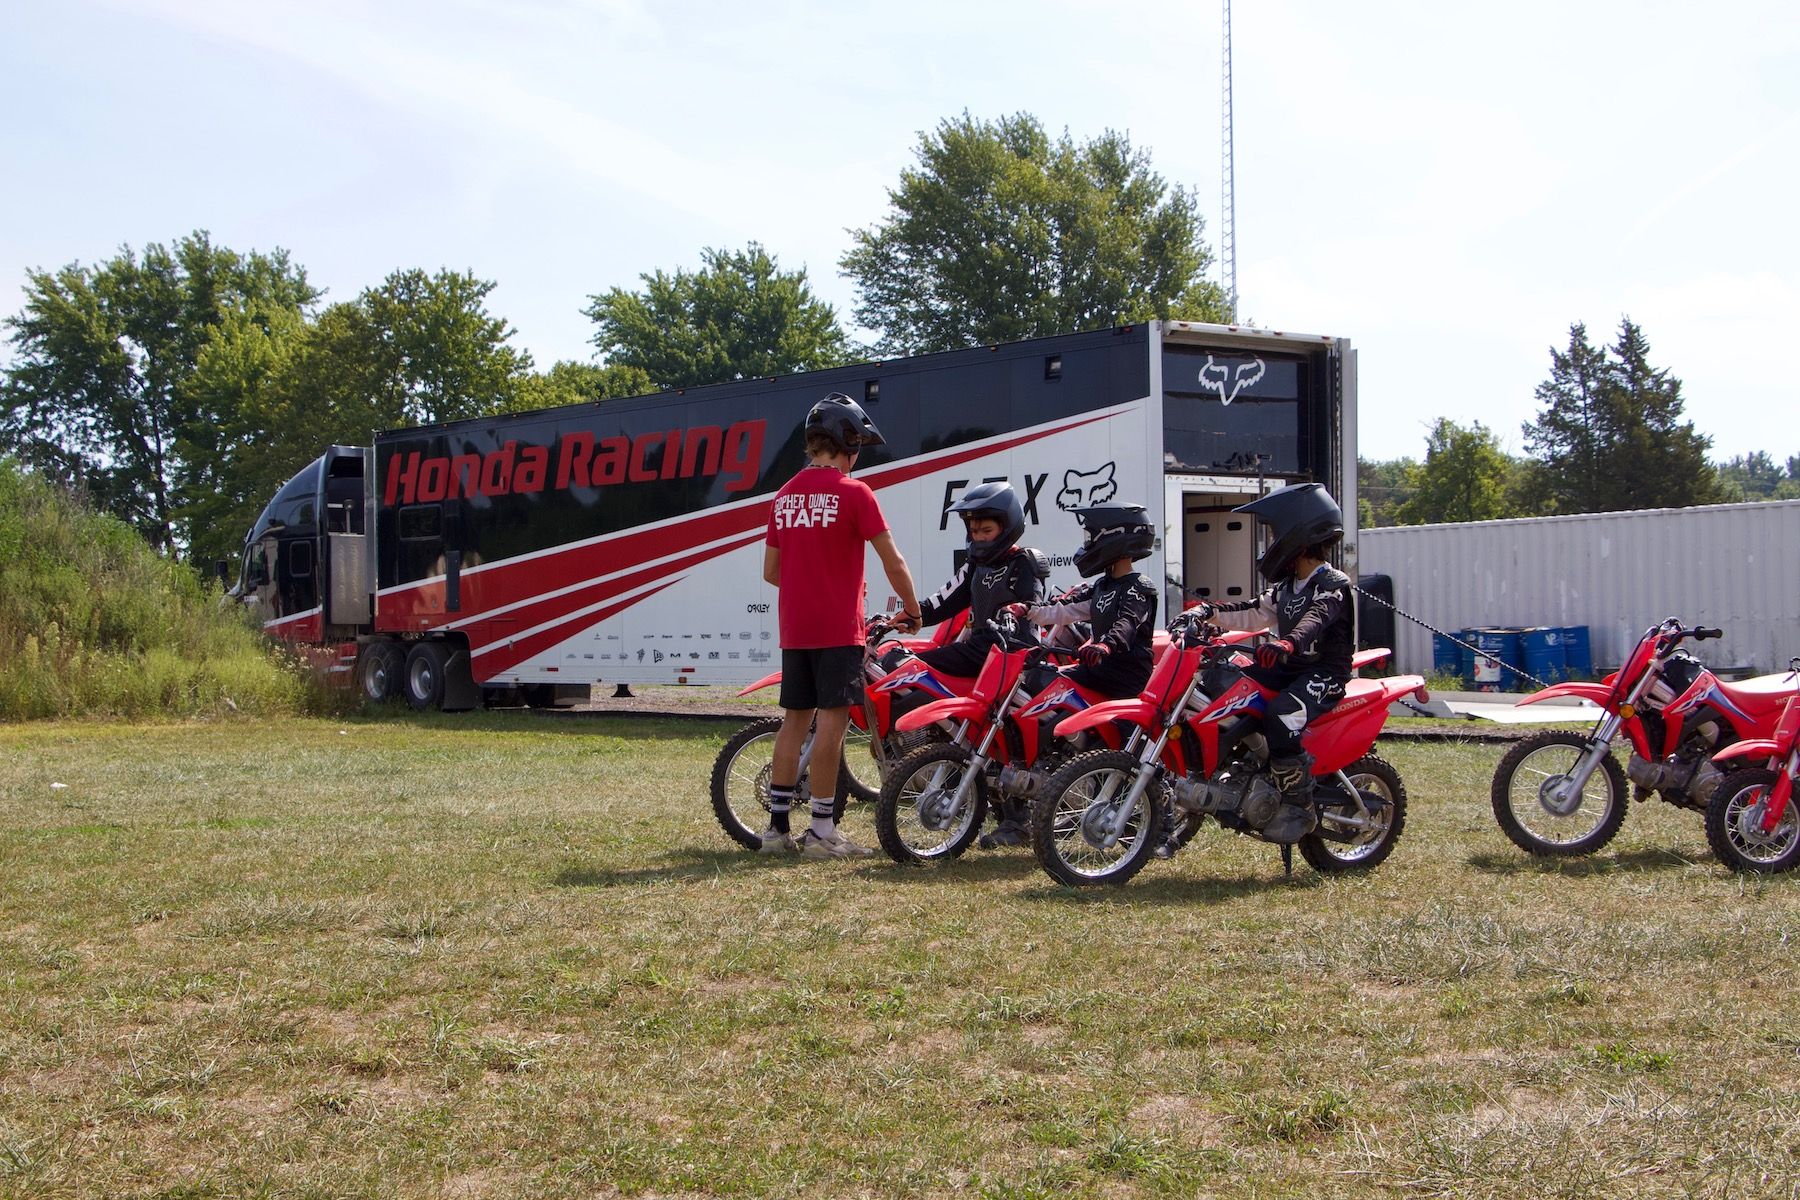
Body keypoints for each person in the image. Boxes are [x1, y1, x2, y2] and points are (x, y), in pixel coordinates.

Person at [762, 393, 921, 860]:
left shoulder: (784, 495)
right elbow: (893, 560)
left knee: (794, 723)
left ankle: (776, 832)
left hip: (796, 627)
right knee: (831, 725)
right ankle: (822, 831)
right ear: (847, 442)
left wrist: (809, 577)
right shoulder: (855, 493)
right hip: (837, 629)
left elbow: (771, 571)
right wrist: (913, 610)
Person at [1199, 482, 1353, 844]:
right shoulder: (1286, 586)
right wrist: (1207, 614)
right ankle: (1250, 771)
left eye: (1273, 532)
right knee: (1227, 687)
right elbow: (1252, 612)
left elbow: (1316, 618)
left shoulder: (1332, 584)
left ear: (1296, 532)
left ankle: (1300, 806)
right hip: (1288, 665)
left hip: (1323, 673)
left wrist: (1287, 642)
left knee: (1281, 716)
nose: (1270, 541)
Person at [908, 482, 1051, 849]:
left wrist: (1012, 617)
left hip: (1015, 656)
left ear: (1008, 526)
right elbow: (941, 601)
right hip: (980, 652)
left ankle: (1017, 819)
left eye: (986, 530)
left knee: (1009, 729)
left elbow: (1032, 604)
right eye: (973, 530)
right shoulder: (975, 563)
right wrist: (906, 616)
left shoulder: (1025, 563)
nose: (979, 537)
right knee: (914, 667)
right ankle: (950, 773)